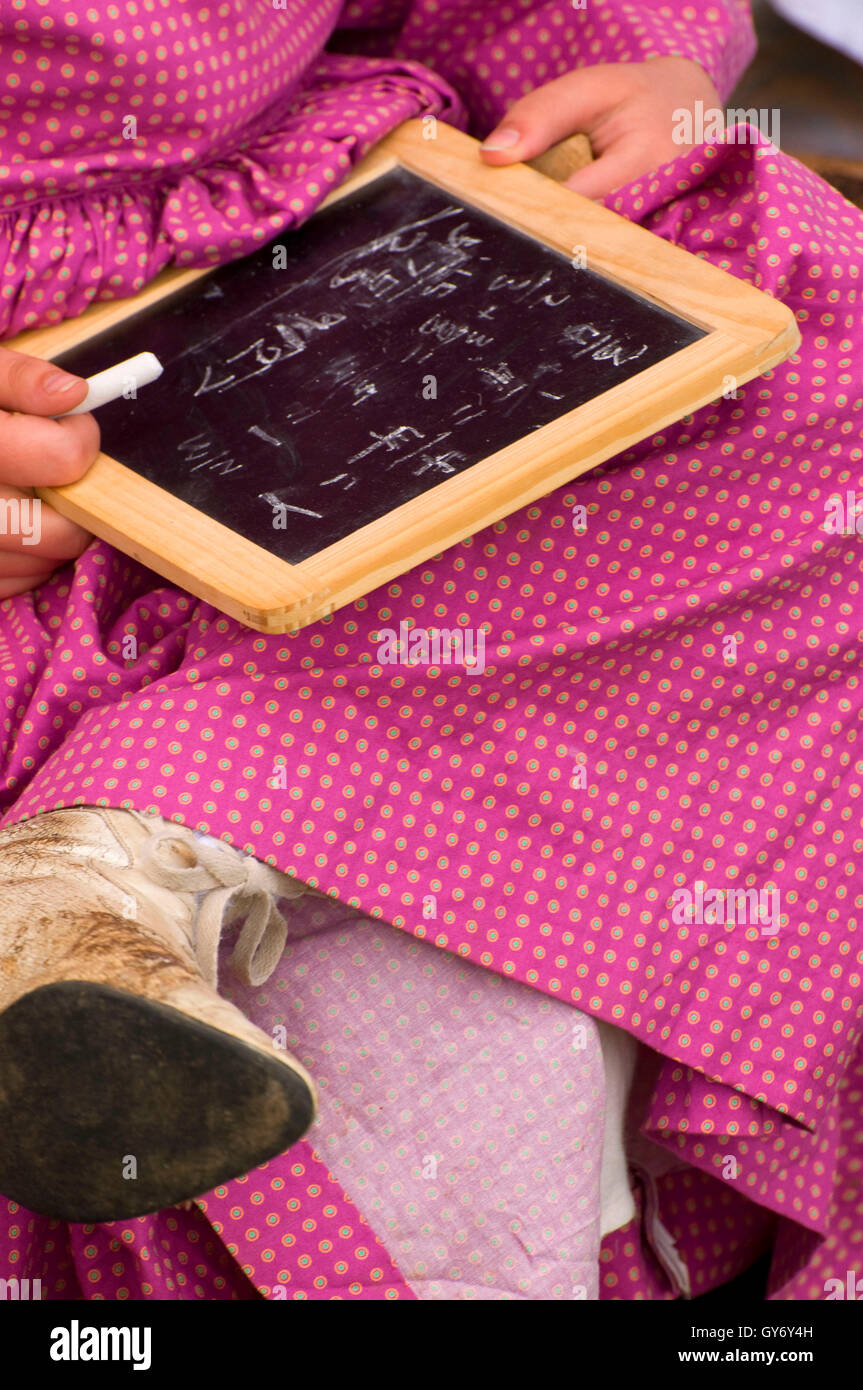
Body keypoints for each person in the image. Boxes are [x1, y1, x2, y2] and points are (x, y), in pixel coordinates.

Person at [0, 0, 861, 1302]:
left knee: (811, 291)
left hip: (346, 237)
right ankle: (118, 864)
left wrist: (635, 74)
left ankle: (122, 846)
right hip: (39, 446)